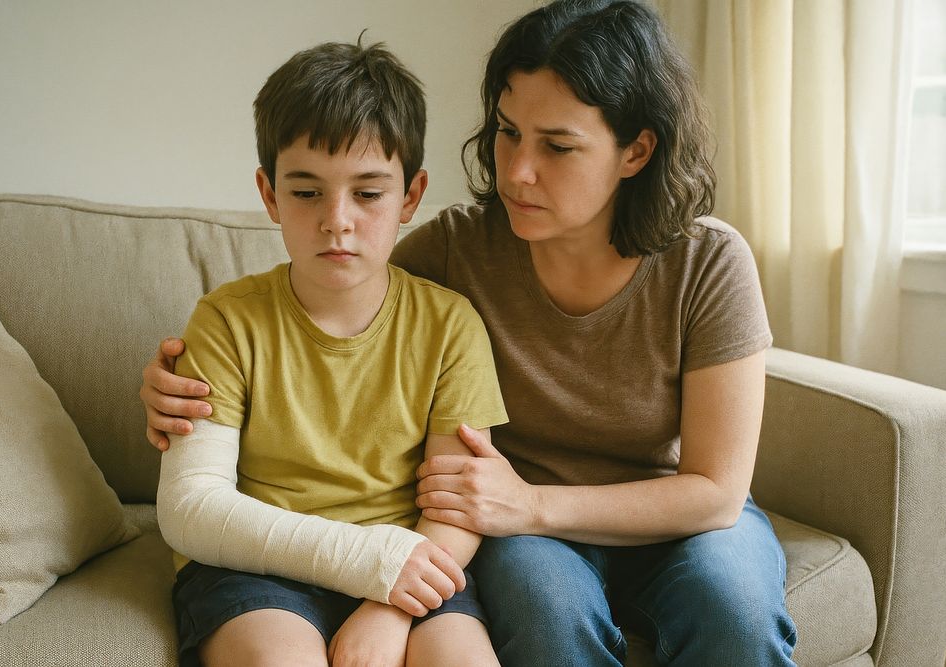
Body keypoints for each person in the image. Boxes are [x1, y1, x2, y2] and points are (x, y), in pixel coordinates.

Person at [142, 1, 798, 665]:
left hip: (667, 519)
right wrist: (180, 383)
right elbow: (338, 303)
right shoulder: (458, 251)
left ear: (636, 149)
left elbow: (715, 490)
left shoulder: (708, 263)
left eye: (557, 145)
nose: (515, 171)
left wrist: (528, 505)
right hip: (517, 533)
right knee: (546, 615)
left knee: (736, 614)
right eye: (508, 132)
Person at [154, 39, 508, 667]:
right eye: (307, 192)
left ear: (411, 196)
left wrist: (388, 607)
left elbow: (459, 506)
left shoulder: (451, 325)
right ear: (269, 194)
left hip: (408, 570)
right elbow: (190, 511)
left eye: (368, 193)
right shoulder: (226, 320)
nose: (337, 220)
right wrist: (366, 562)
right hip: (255, 569)